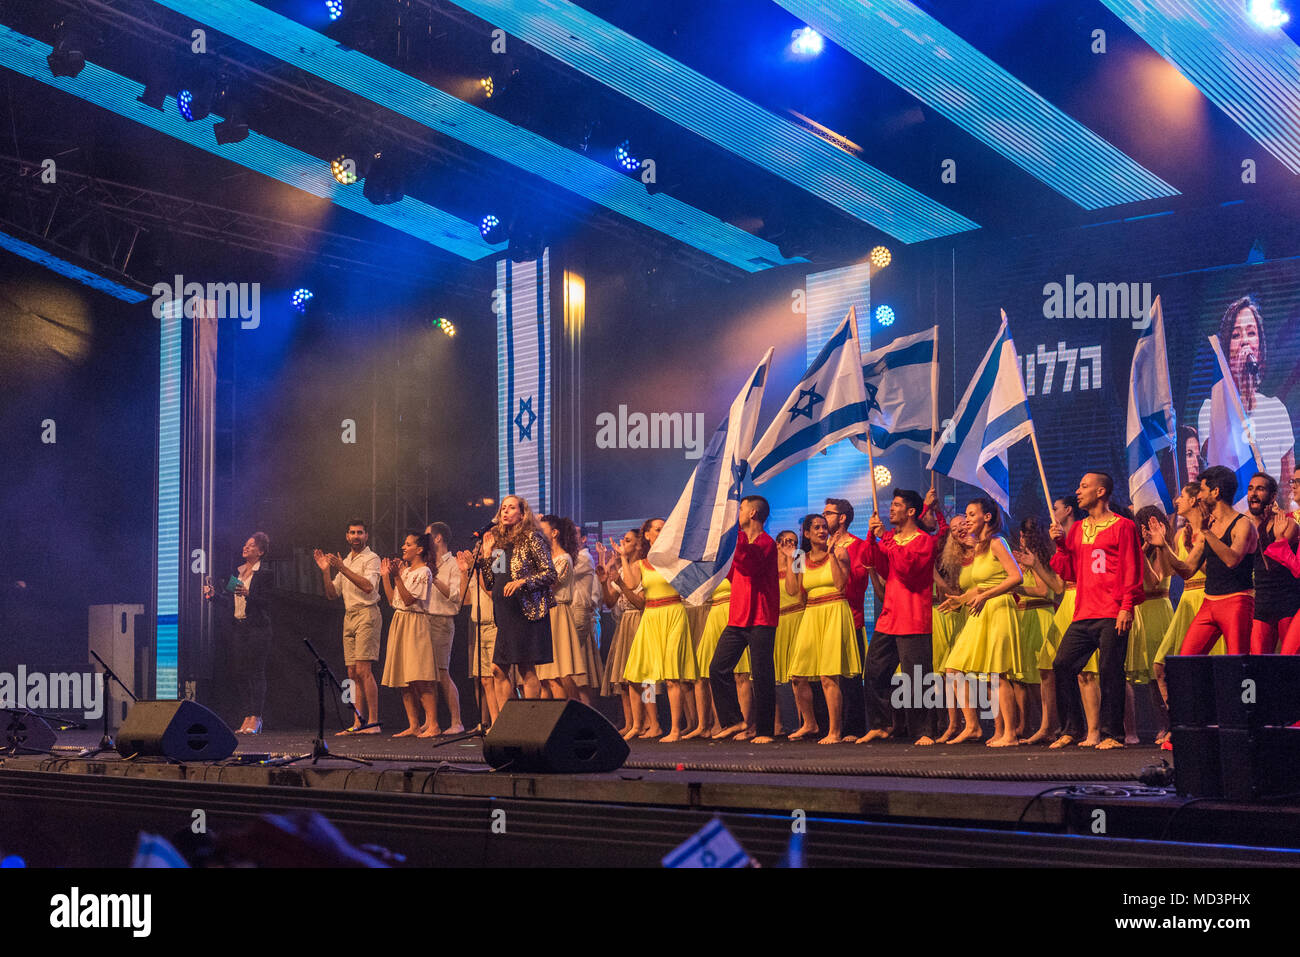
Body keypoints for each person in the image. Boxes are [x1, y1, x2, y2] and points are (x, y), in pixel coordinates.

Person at [1049, 472, 1143, 751]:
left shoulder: (1123, 526)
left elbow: (1131, 567)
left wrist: (1127, 606)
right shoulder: (1077, 528)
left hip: (1112, 610)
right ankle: (1071, 728)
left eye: (1084, 486)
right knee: (1062, 664)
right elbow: (1070, 573)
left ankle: (1112, 733)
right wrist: (1060, 544)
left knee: (1110, 670)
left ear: (1101, 492)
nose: (1078, 491)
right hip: (1084, 611)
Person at [860, 488, 947, 746]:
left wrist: (885, 537)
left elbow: (907, 568)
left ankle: (924, 731)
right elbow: (872, 562)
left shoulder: (923, 540)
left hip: (913, 617)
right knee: (874, 670)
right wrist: (871, 535)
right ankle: (881, 724)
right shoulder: (891, 540)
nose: (891, 508)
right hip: (889, 616)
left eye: (897, 505)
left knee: (917, 677)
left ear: (911, 511)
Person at [939, 498, 1025, 747]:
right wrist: (960, 599)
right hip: (981, 609)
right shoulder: (979, 547)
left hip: (998, 608)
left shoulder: (998, 542)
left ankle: (1009, 734)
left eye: (972, 514)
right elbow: (980, 584)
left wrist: (985, 596)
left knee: (997, 673)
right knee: (954, 667)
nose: (967, 519)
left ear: (987, 517)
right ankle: (981, 727)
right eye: (966, 514)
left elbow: (1016, 576)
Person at [455, 495, 555, 702]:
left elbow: (549, 573)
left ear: (522, 513)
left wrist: (522, 582)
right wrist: (487, 555)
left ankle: (529, 718)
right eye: (503, 509)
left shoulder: (531, 538)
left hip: (525, 611)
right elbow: (493, 581)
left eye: (511, 508)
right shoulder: (499, 543)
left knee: (526, 668)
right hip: (505, 613)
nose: (506, 512)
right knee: (498, 670)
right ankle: (506, 720)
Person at [1156, 465, 1258, 656]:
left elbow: (1232, 560)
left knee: (1238, 664)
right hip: (1209, 602)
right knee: (1187, 658)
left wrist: (1206, 532)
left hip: (1236, 601)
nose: (1200, 497)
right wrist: (1163, 546)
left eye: (1202, 490)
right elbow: (1187, 571)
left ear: (1216, 491)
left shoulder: (1243, 524)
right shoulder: (1208, 527)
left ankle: (1245, 688)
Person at [1197, 295, 1294, 490]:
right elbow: (1219, 463)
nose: (1245, 342)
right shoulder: (1211, 409)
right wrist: (1240, 383)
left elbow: (1287, 487)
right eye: (1236, 335)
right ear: (1226, 347)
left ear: (1260, 344)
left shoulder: (1276, 409)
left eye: (1251, 333)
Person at [620, 518, 699, 743]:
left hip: (673, 613)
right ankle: (651, 724)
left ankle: (675, 728)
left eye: (665, 529)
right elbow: (631, 583)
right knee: (646, 676)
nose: (662, 532)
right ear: (647, 535)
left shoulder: (675, 561)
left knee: (673, 675)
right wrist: (624, 558)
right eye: (657, 529)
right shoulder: (641, 564)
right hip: (651, 616)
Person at [783, 513, 859, 744]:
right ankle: (810, 723)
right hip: (812, 613)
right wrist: (789, 560)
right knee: (797, 675)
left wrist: (832, 554)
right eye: (816, 527)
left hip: (835, 610)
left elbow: (840, 583)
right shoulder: (799, 558)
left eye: (824, 527)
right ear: (806, 533)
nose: (821, 530)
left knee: (828, 676)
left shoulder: (839, 552)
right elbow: (792, 590)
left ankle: (835, 731)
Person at [1151, 483, 1218, 743]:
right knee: (1161, 665)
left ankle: (1207, 724)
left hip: (1207, 596)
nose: (1177, 500)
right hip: (1187, 600)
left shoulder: (1210, 530)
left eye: (1182, 496)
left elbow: (1196, 568)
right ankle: (1178, 722)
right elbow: (1174, 570)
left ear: (1194, 500)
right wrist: (1161, 546)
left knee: (1206, 669)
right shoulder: (1180, 535)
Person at [710, 495, 780, 744]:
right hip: (738, 616)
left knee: (762, 674)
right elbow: (732, 573)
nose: (737, 512)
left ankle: (764, 731)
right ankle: (734, 720)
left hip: (761, 616)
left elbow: (749, 565)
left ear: (752, 513)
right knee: (717, 667)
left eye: (740, 508)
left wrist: (734, 535)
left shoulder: (766, 543)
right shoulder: (742, 541)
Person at [315, 520, 382, 734]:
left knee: (364, 670)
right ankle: (357, 722)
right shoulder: (346, 561)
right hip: (349, 615)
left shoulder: (371, 558)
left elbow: (368, 586)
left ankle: (373, 722)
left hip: (366, 613)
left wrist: (342, 568)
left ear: (366, 536)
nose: (356, 536)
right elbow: (332, 594)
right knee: (351, 672)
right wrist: (326, 571)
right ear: (347, 536)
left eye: (360, 533)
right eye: (352, 533)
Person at [203, 532, 272, 734]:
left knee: (255, 672)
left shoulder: (264, 573)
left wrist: (249, 594)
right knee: (240, 672)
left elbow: (268, 602)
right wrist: (214, 596)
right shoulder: (239, 573)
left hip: (258, 628)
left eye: (250, 546)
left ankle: (256, 717)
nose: (245, 548)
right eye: (245, 544)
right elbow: (231, 601)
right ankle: (247, 715)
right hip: (239, 628)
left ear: (260, 551)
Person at [380, 532, 439, 738]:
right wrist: (386, 577)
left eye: (408, 544)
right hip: (400, 621)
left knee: (420, 677)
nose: (403, 547)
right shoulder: (405, 572)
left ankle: (433, 724)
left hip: (415, 623)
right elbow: (392, 601)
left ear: (419, 549)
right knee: (404, 678)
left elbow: (409, 600)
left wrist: (396, 576)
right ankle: (413, 724)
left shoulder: (424, 572)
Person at [822, 498, 870, 738]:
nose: (823, 518)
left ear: (842, 517)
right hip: (823, 618)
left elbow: (859, 582)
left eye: (828, 514)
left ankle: (853, 728)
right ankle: (825, 726)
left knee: (851, 677)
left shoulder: (858, 545)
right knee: (824, 676)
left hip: (851, 616)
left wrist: (840, 560)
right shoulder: (818, 547)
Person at [1012, 517, 1062, 745]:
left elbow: (1044, 591)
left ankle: (1050, 725)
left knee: (1044, 676)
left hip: (1040, 616)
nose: (1020, 539)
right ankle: (1036, 725)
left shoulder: (1042, 557)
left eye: (1023, 535)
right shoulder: (1021, 558)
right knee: (1029, 677)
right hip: (1024, 617)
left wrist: (1017, 586)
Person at [1130, 506, 1175, 745]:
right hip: (1141, 613)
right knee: (1149, 678)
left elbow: (1155, 582)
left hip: (1158, 610)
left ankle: (1172, 724)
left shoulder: (1161, 548)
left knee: (1162, 674)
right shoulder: (1144, 550)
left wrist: (1144, 550)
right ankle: (1161, 725)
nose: (1144, 531)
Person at [1243, 473, 1300, 653]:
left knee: (1289, 660)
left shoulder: (1288, 524)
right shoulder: (1244, 525)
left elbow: (1272, 562)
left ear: (1273, 496)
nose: (1253, 493)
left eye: (1260, 489)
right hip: (1262, 602)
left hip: (1288, 601)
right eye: (1251, 488)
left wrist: (1262, 526)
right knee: (1259, 663)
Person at [597, 528, 646, 738]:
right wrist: (603, 581)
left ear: (638, 545)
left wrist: (621, 581)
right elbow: (609, 602)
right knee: (623, 678)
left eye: (627, 541)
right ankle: (631, 722)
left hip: (639, 621)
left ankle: (650, 722)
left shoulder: (642, 567)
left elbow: (638, 599)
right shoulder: (624, 569)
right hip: (624, 622)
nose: (622, 544)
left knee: (644, 679)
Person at [537, 515, 591, 701]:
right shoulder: (546, 559)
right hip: (545, 613)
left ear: (554, 533)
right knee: (546, 676)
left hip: (557, 613)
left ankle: (574, 713)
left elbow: (549, 583)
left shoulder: (564, 559)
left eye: (541, 530)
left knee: (558, 671)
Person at [423, 522, 464, 735]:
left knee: (442, 672)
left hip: (442, 621)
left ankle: (457, 721)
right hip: (425, 619)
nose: (425, 539)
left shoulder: (453, 563)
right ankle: (432, 722)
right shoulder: (429, 562)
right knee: (428, 675)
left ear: (438, 538)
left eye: (428, 535)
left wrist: (433, 577)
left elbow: (455, 595)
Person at [465, 542, 502, 729]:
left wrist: (479, 568)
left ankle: (503, 722)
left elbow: (493, 592)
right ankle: (493, 723)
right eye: (476, 546)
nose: (476, 549)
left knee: (497, 675)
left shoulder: (500, 559)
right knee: (484, 678)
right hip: (479, 626)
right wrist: (467, 571)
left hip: (495, 624)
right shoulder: (476, 568)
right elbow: (465, 600)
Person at [772, 529, 805, 737]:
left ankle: (804, 723)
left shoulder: (798, 559)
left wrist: (791, 559)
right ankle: (775, 724)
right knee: (773, 677)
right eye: (785, 542)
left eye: (793, 542)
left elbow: (794, 591)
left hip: (797, 618)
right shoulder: (768, 564)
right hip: (777, 621)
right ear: (777, 543)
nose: (790, 545)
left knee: (798, 676)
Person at [571, 527, 604, 707]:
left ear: (583, 538)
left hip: (586, 618)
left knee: (584, 672)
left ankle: (589, 714)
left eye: (574, 533)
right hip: (575, 617)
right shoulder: (573, 558)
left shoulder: (583, 558)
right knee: (576, 673)